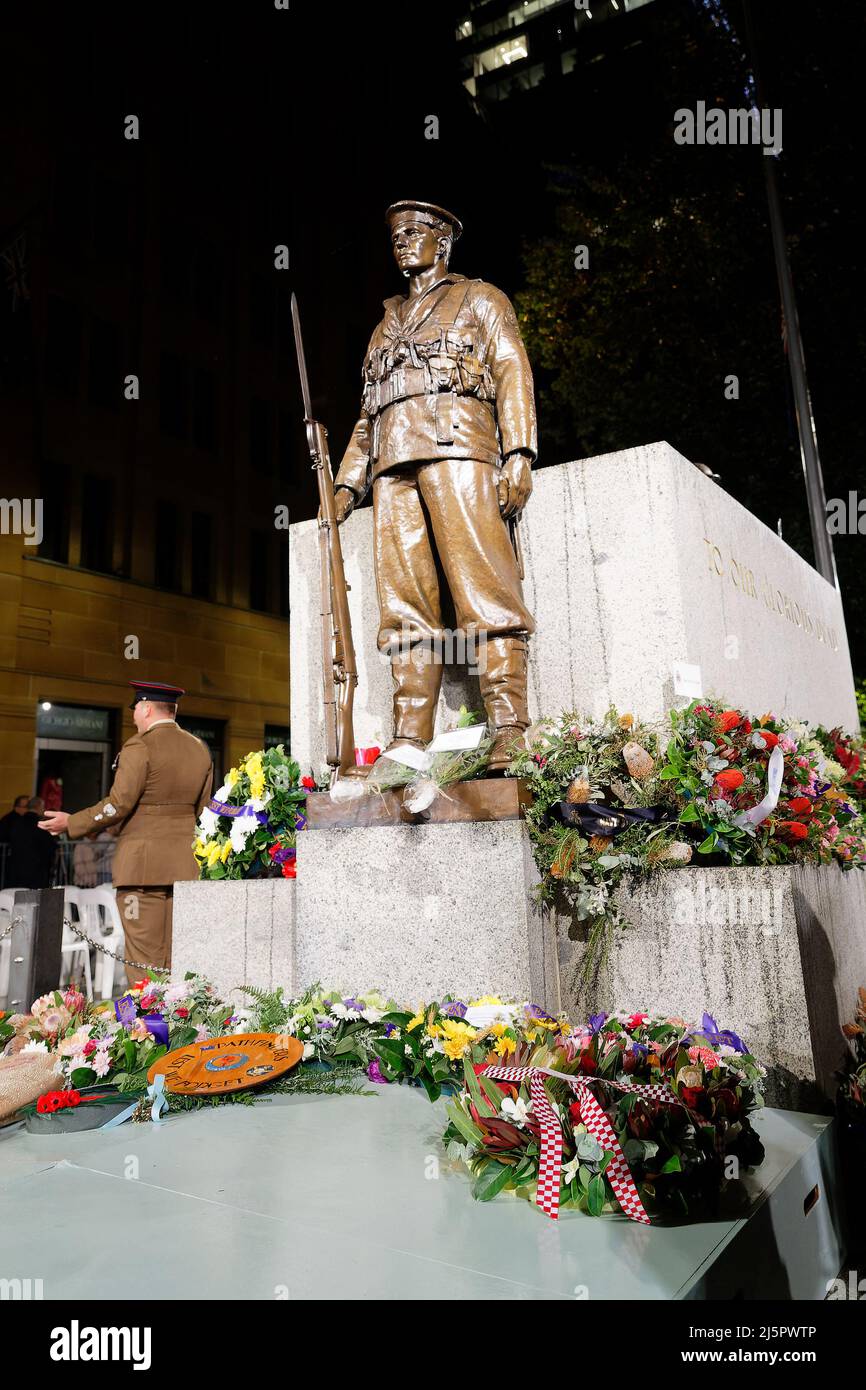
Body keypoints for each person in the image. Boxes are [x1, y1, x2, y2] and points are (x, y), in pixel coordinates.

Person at [331, 200, 536, 772]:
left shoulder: (480, 299)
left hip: (459, 450)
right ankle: (409, 738)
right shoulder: (382, 327)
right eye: (395, 235)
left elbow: (511, 369)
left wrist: (518, 451)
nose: (402, 242)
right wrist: (345, 486)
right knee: (404, 610)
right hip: (392, 469)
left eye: (414, 232)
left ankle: (509, 726)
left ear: (443, 241)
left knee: (486, 590)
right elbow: (367, 415)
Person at [39, 681, 213, 988]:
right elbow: (203, 809)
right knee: (177, 955)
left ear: (146, 708)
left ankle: (149, 1029)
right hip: (188, 865)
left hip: (141, 870)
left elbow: (118, 804)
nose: (133, 716)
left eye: (135, 709)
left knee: (143, 960)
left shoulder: (139, 746)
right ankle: (183, 1023)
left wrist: (73, 822)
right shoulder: (199, 748)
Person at [0, 796, 56, 888]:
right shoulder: (41, 824)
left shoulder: (16, 823)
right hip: (36, 870)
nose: (44, 810)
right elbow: (50, 846)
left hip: (16, 869)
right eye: (43, 807)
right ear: (38, 807)